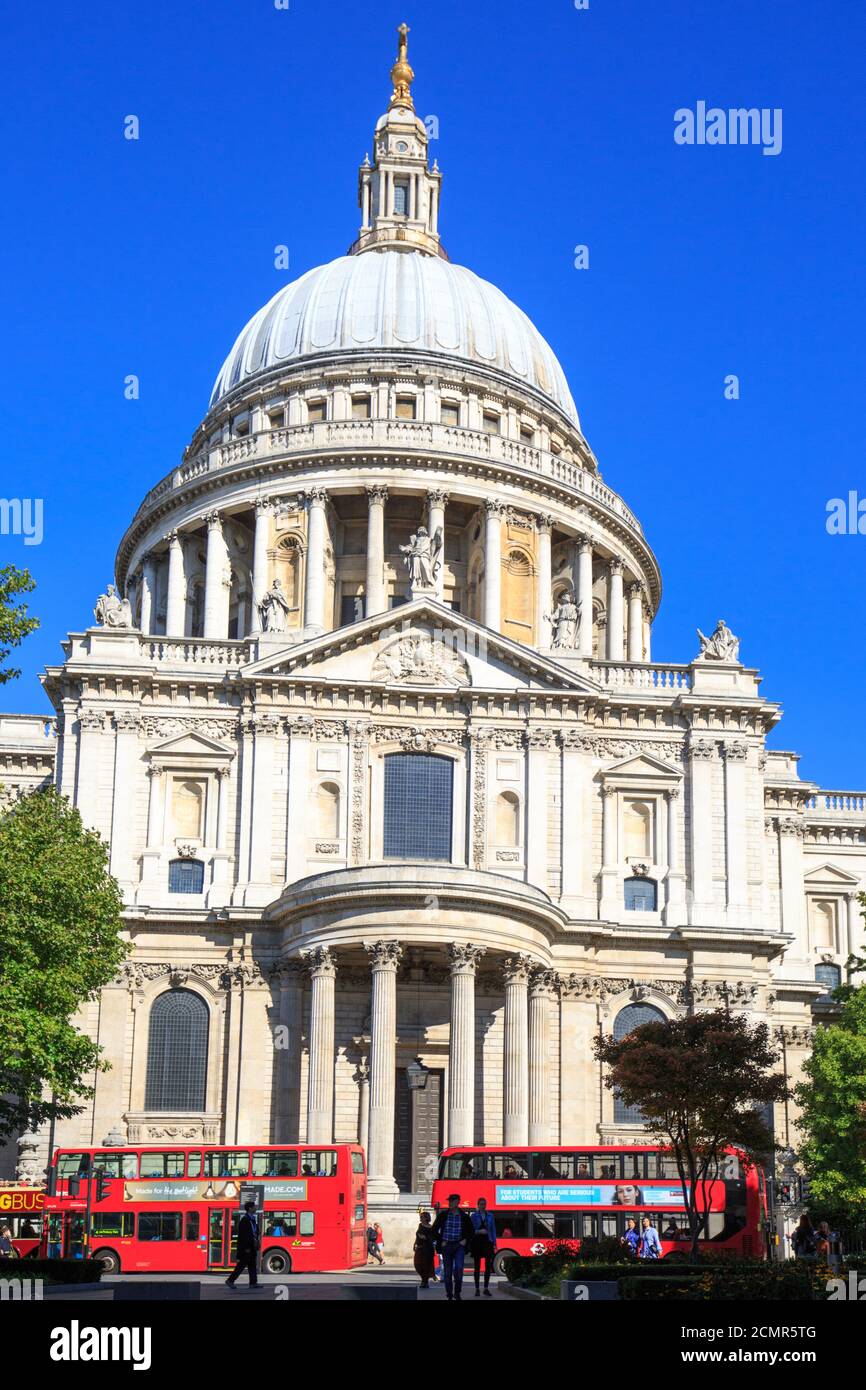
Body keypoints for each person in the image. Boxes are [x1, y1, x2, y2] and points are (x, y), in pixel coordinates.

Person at [432, 1194, 474, 1301]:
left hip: (459, 1245)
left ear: (457, 1202)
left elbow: (471, 1232)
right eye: (449, 1201)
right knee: (447, 1271)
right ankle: (449, 1294)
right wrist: (440, 1241)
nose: (450, 1203)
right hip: (447, 1246)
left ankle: (457, 1293)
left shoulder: (464, 1216)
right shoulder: (443, 1215)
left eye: (452, 1201)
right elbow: (434, 1229)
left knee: (459, 1269)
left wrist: (466, 1240)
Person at [225, 1201, 261, 1289]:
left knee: (252, 1265)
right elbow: (244, 1236)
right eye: (254, 1207)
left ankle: (253, 1283)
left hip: (252, 1246)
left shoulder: (252, 1219)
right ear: (250, 1208)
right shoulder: (244, 1220)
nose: (255, 1208)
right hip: (246, 1248)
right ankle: (230, 1280)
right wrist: (247, 1247)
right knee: (241, 1265)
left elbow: (255, 1232)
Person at [469, 1197, 497, 1296]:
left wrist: (494, 1243)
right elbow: (470, 1230)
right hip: (477, 1242)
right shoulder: (473, 1216)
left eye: (484, 1204)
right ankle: (477, 1288)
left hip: (487, 1242)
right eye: (481, 1204)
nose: (483, 1205)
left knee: (488, 1266)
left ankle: (486, 1288)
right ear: (478, 1205)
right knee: (477, 1266)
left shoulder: (490, 1215)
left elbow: (493, 1230)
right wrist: (479, 1231)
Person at [414, 1211, 436, 1289]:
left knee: (426, 1265)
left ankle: (424, 1281)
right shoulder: (420, 1225)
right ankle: (424, 1280)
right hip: (419, 1248)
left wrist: (425, 1237)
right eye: (420, 1217)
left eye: (422, 1217)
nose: (420, 1218)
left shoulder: (431, 1227)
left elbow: (433, 1238)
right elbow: (417, 1235)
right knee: (417, 1264)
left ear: (426, 1218)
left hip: (428, 1248)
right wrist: (415, 1244)